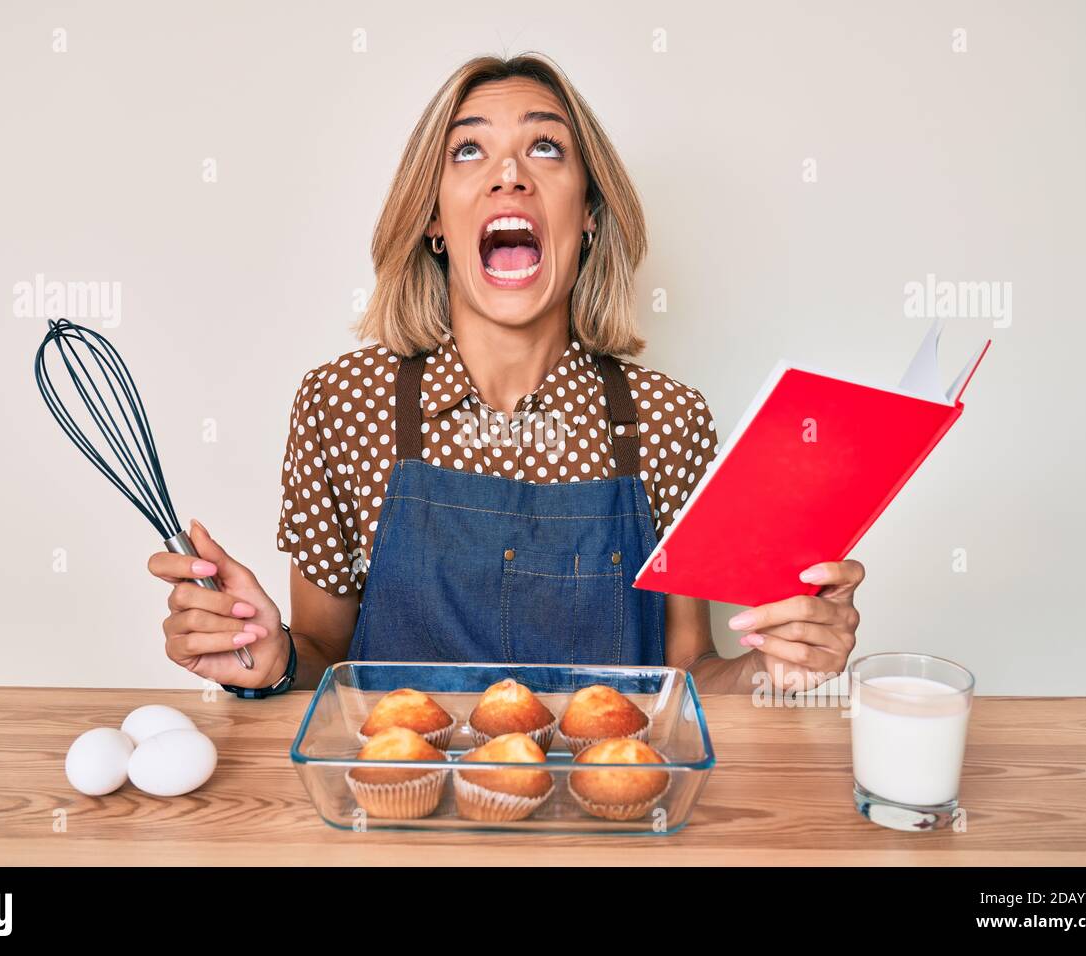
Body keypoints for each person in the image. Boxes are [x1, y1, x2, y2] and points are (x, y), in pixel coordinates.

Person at [147, 53, 864, 696]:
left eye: (545, 147)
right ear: (433, 219)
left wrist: (771, 668)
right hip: (403, 815)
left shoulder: (667, 422)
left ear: (587, 212)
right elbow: (325, 663)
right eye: (469, 151)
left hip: (601, 823)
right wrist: (266, 656)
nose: (510, 174)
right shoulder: (343, 405)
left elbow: (685, 678)